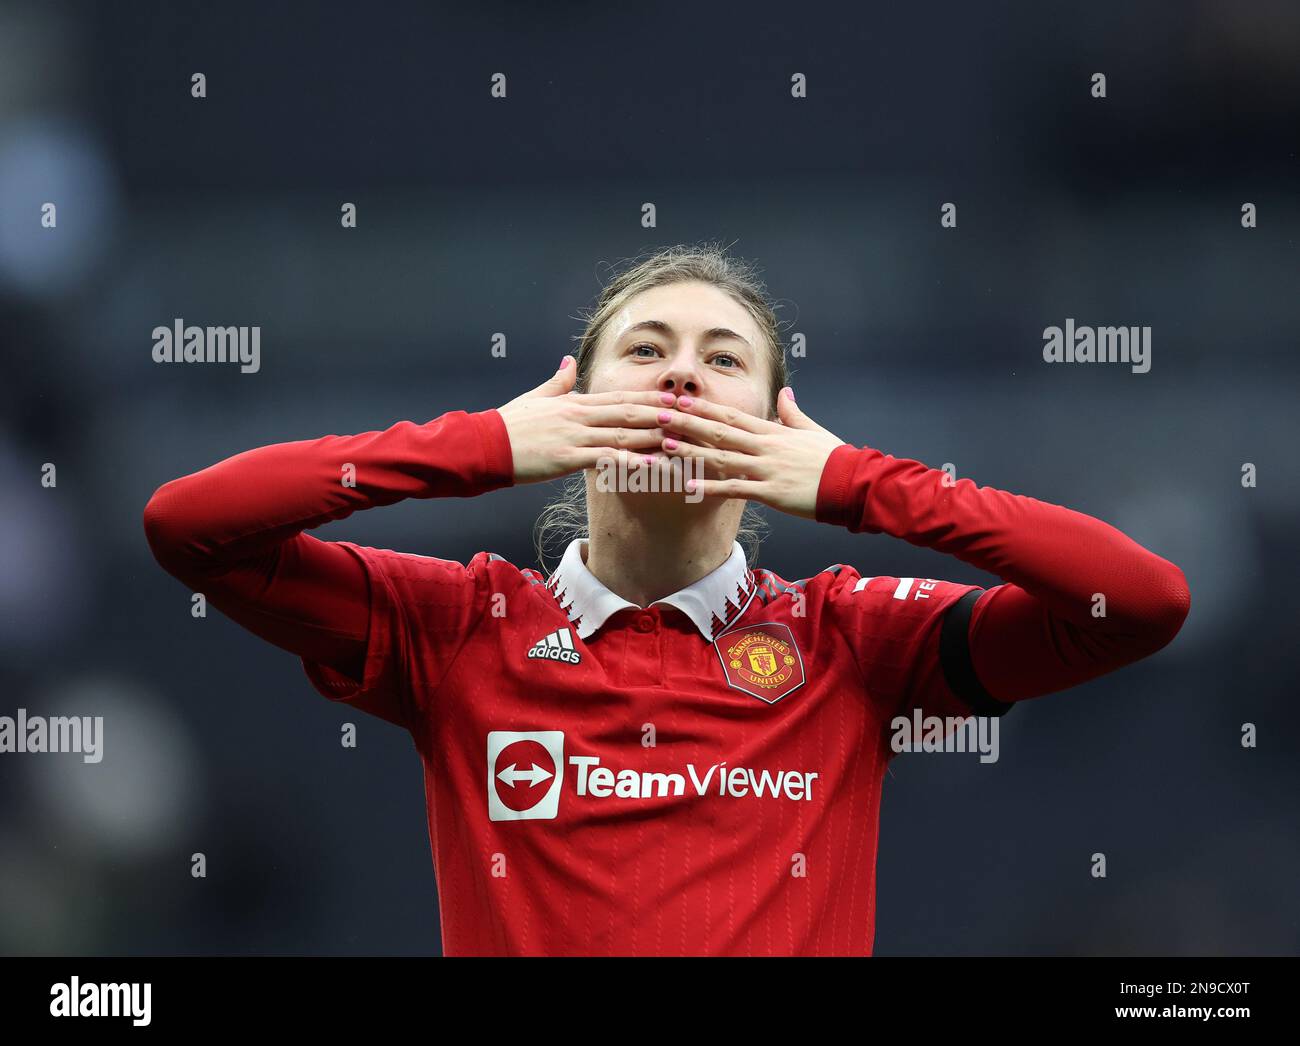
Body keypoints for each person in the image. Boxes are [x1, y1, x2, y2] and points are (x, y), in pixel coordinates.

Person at [142, 244, 1190, 956]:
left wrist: (860, 482)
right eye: (644, 351)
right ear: (573, 405)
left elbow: (1141, 600)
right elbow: (190, 525)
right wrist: (476, 446)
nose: (680, 379)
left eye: (721, 360)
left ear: (780, 425)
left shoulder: (855, 641)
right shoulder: (454, 629)